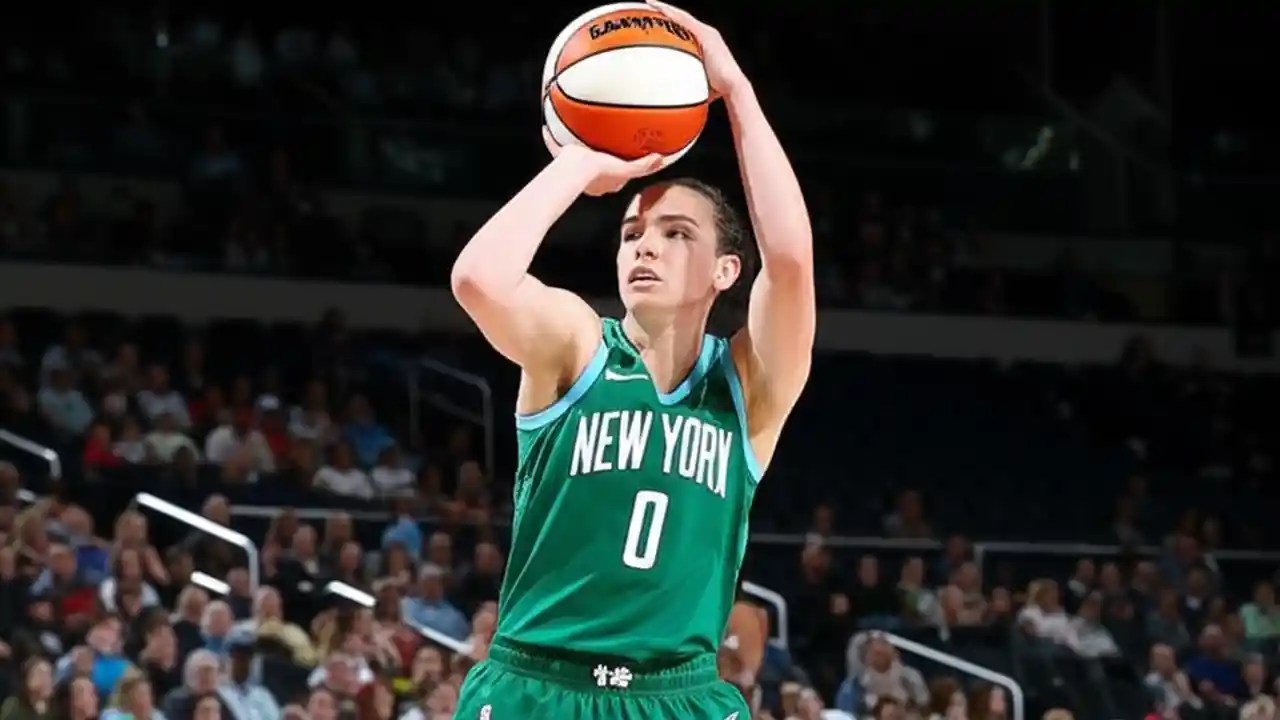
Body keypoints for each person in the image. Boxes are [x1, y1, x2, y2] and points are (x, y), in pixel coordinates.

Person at [448, 1, 815, 717]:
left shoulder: (747, 386)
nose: (644, 246)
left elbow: (793, 260)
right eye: (632, 232)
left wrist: (736, 90)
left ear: (726, 272)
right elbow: (478, 280)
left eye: (676, 234)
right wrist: (582, 160)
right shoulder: (575, 344)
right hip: (537, 686)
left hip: (676, 696)